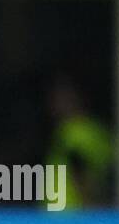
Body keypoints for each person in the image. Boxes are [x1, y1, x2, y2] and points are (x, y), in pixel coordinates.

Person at [45, 75, 113, 211]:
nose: (54, 102)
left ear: (77, 97)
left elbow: (80, 174)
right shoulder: (100, 132)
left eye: (62, 96)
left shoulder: (73, 132)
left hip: (68, 216)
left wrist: (89, 212)